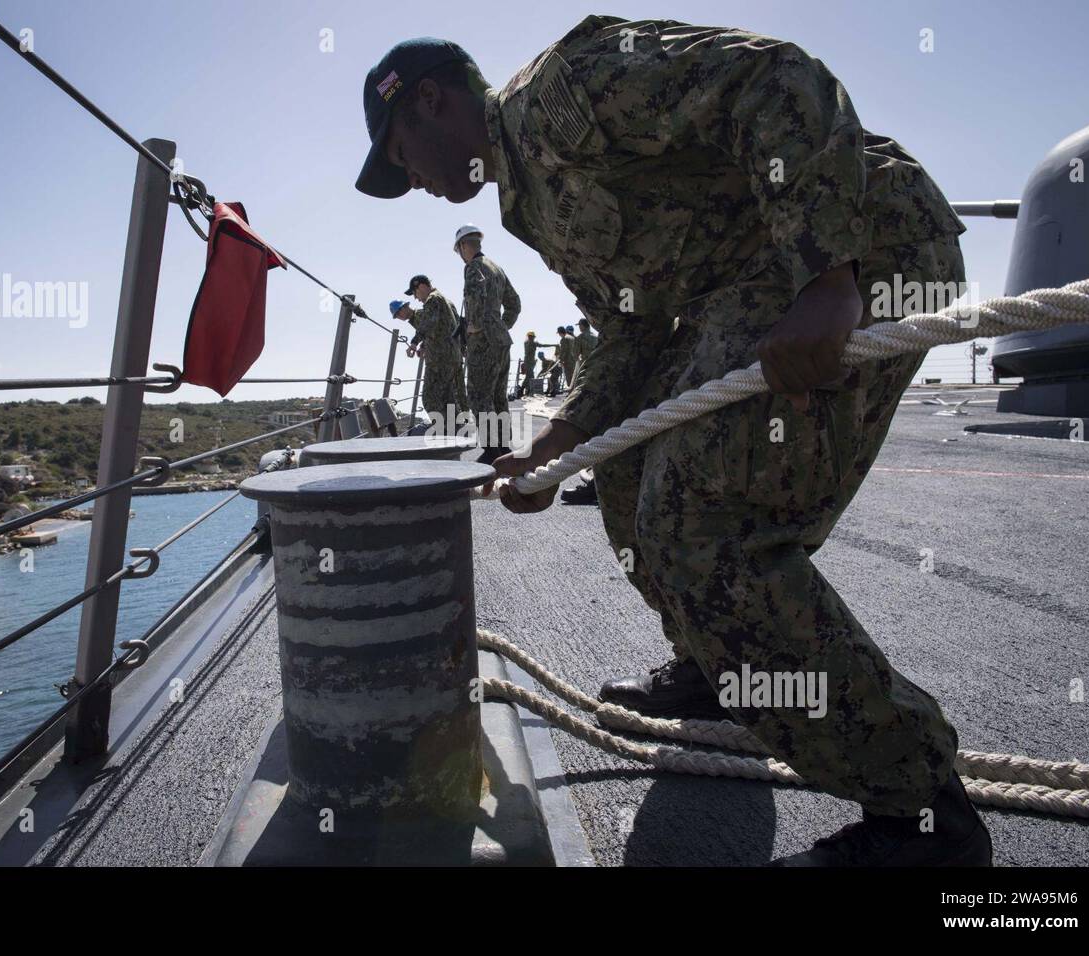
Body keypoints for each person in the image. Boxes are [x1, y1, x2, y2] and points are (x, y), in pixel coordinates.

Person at [354, 18, 986, 867]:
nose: (414, 184)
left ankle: (919, 813)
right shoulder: (529, 205)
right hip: (753, 286)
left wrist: (824, 271)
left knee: (698, 521)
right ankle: (718, 664)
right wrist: (563, 443)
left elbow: (777, 82)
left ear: (430, 100)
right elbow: (632, 325)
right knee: (621, 471)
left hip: (863, 243)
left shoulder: (561, 94)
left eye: (401, 156)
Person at [453, 224, 520, 463]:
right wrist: (501, 326)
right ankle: (504, 448)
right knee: (498, 397)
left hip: (483, 343)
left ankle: (492, 450)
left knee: (479, 396)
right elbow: (514, 303)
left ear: (463, 246)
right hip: (501, 341)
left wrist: (478, 325)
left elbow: (474, 296)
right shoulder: (497, 268)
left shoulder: (473, 267)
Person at [393, 278, 468, 432]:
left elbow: (428, 323)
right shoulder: (444, 300)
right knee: (448, 397)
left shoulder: (432, 300)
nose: (415, 297)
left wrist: (414, 343)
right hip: (452, 355)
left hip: (440, 358)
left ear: (421, 286)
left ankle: (443, 430)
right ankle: (456, 429)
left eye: (414, 292)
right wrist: (426, 345)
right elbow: (445, 327)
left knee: (429, 398)